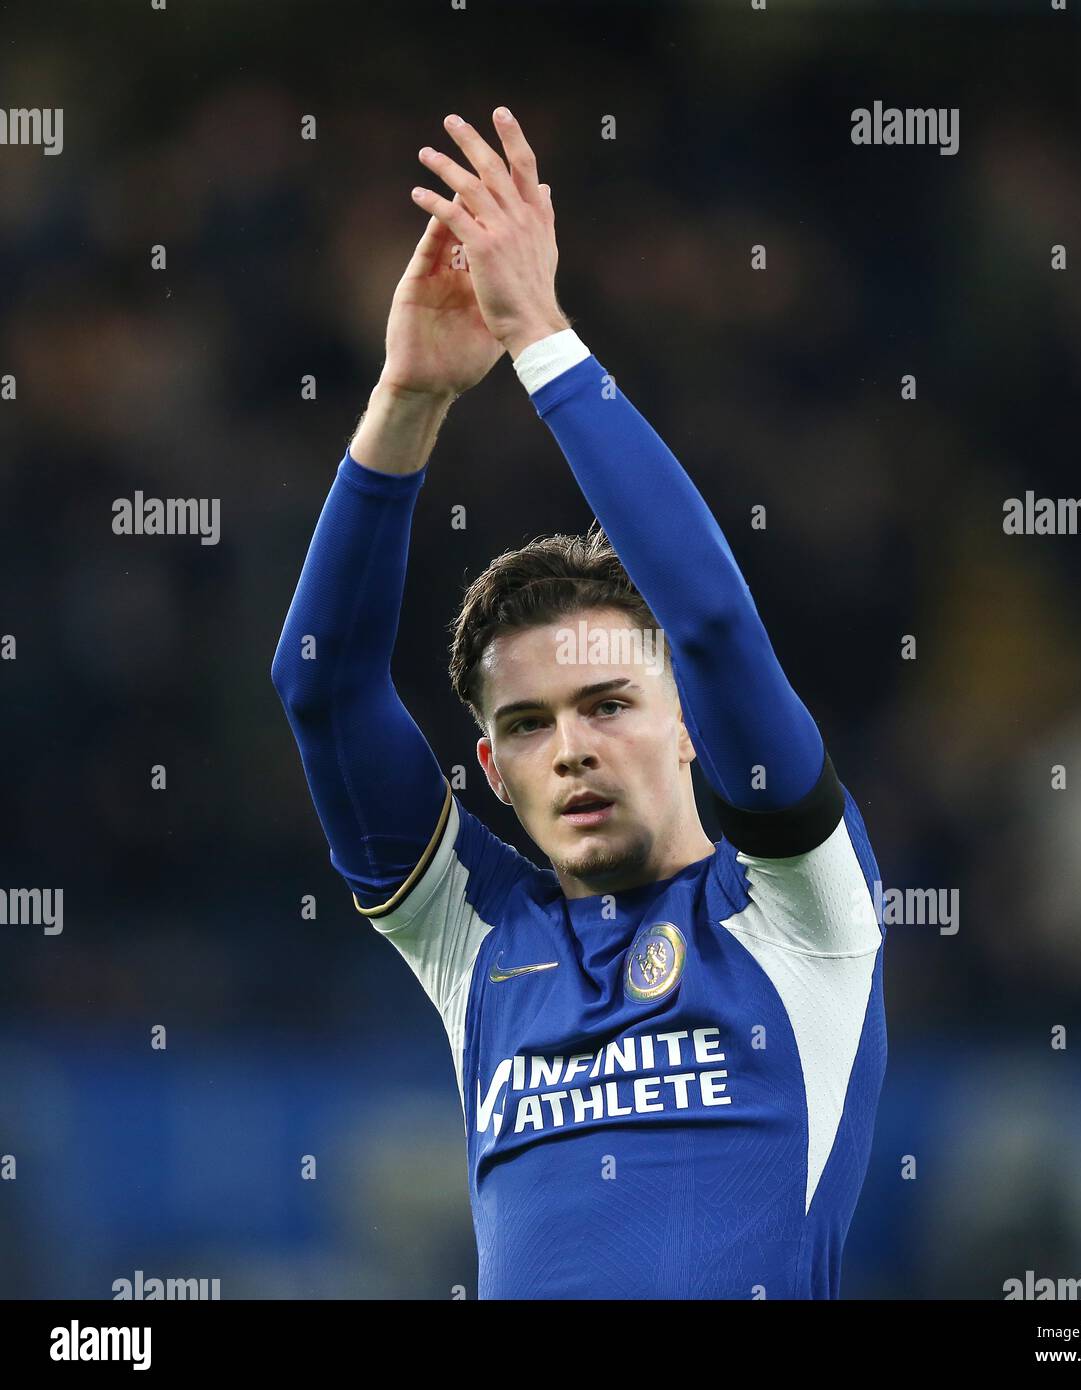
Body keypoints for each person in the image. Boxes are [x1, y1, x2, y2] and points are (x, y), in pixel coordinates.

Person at [272, 107, 887, 1299]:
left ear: (691, 722)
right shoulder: (474, 939)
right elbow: (320, 683)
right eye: (528, 724)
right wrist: (407, 399)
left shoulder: (803, 914)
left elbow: (707, 621)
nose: (569, 749)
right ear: (491, 773)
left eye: (608, 702)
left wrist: (540, 336)